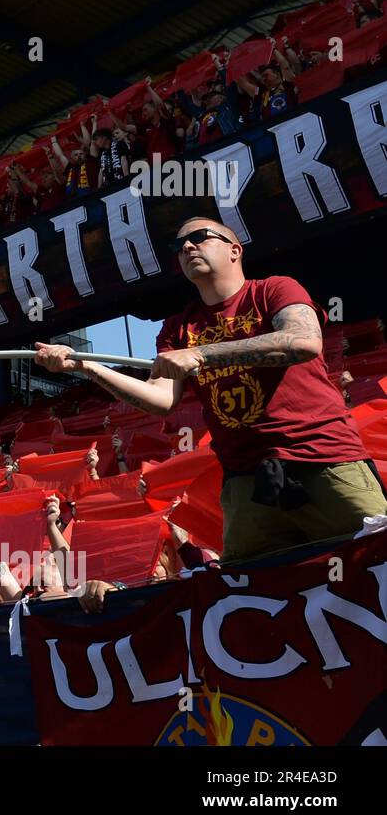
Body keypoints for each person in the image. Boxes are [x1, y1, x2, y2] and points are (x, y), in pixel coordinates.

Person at [35, 216, 386, 563]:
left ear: (235, 250)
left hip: (325, 459)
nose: (186, 247)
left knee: (375, 562)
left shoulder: (275, 289)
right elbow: (160, 400)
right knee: (254, 591)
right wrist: (88, 367)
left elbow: (303, 340)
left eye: (200, 237)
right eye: (179, 246)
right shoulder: (178, 327)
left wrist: (200, 355)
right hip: (246, 483)